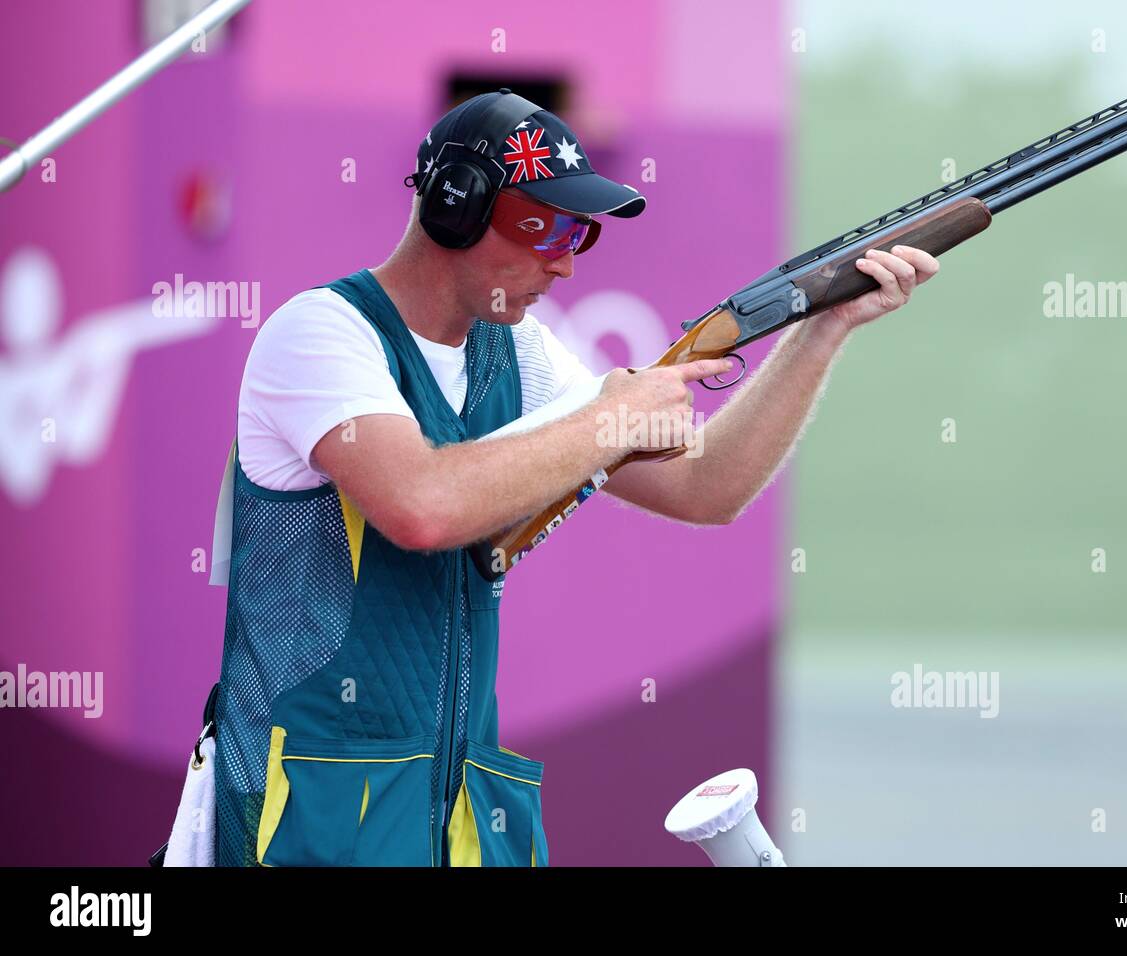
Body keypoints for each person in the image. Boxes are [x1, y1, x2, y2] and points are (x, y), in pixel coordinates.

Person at [212, 89, 938, 867]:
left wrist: (820, 332)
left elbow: (706, 488)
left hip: (458, 824)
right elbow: (421, 507)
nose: (564, 261)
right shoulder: (320, 333)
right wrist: (611, 419)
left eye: (579, 233)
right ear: (458, 210)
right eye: (549, 227)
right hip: (307, 825)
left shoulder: (518, 350)